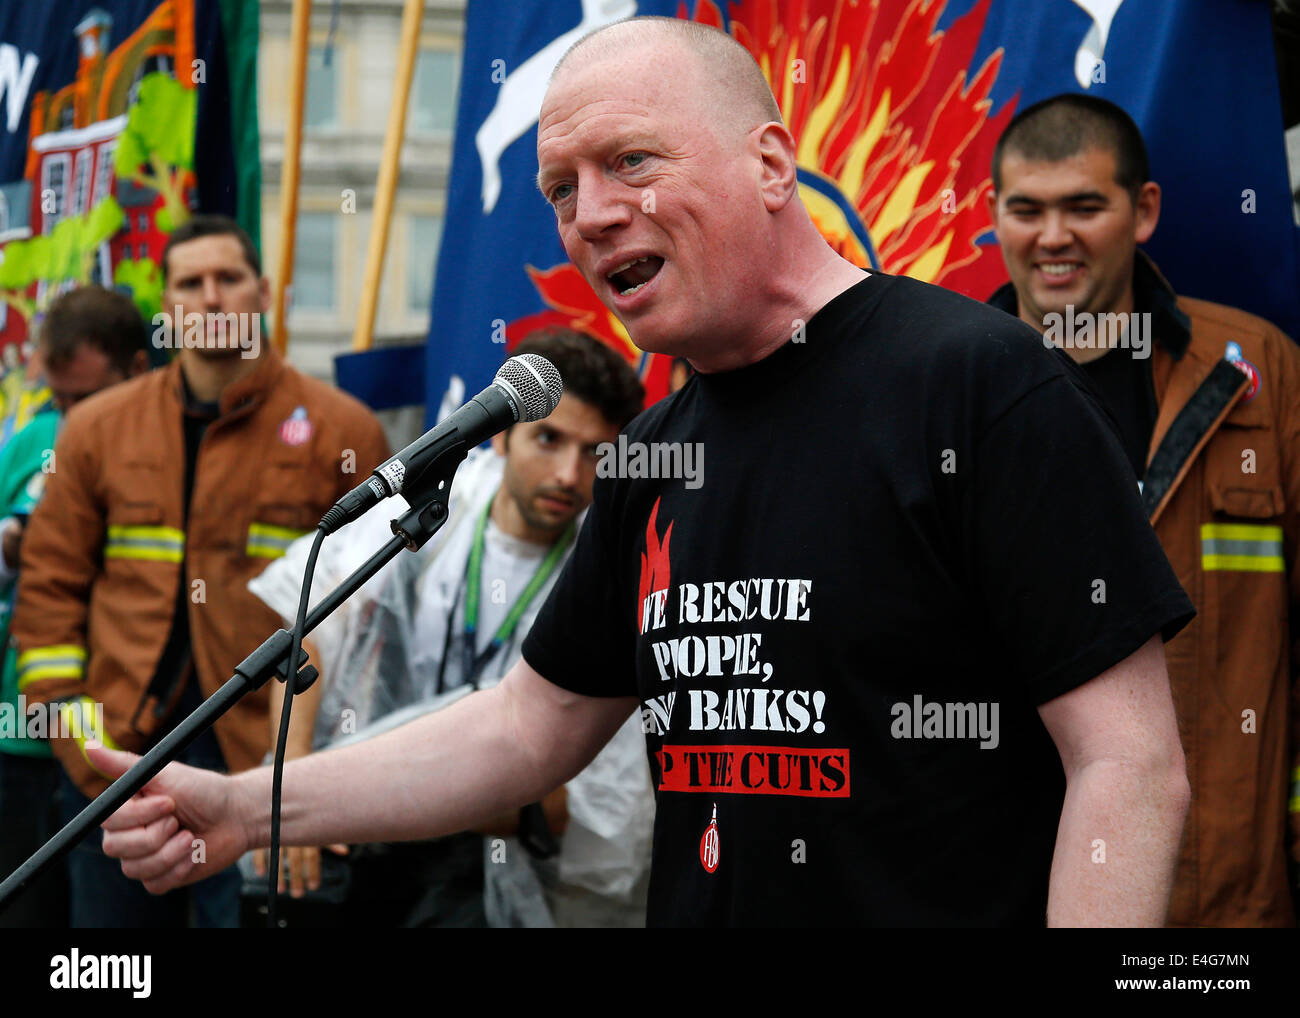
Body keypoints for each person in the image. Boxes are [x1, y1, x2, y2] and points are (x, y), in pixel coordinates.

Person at [89, 18, 1193, 927]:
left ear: (769, 163)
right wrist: (248, 805)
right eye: (561, 188)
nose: (591, 213)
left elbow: (1130, 766)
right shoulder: (658, 450)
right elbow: (527, 727)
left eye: (629, 161)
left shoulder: (979, 387)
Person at [10, 215, 390, 928]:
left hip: (261, 770)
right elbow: (49, 602)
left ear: (264, 292)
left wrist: (302, 781)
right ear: (167, 305)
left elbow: (365, 629)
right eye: (190, 282)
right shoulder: (96, 429)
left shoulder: (342, 430)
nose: (211, 298)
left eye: (227, 279)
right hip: (117, 768)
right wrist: (84, 752)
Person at [985, 93, 1300, 927]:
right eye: (1028, 209)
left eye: (1085, 206)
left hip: (1227, 892)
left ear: (1144, 210)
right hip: (1005, 883)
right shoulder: (935, 389)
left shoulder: (1257, 373)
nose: (1054, 237)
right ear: (995, 218)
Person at [246, 328, 653, 927]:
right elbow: (307, 630)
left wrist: (353, 798)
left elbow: (588, 807)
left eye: (595, 452)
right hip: (347, 850)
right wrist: (297, 781)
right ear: (501, 438)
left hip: (477, 877)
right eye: (549, 438)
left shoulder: (612, 568)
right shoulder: (432, 505)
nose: (569, 473)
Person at [0, 286, 149, 928]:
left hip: (120, 748)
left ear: (138, 370)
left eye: (86, 401)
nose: (71, 421)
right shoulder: (28, 441)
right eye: (59, 402)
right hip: (20, 739)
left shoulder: (163, 450)